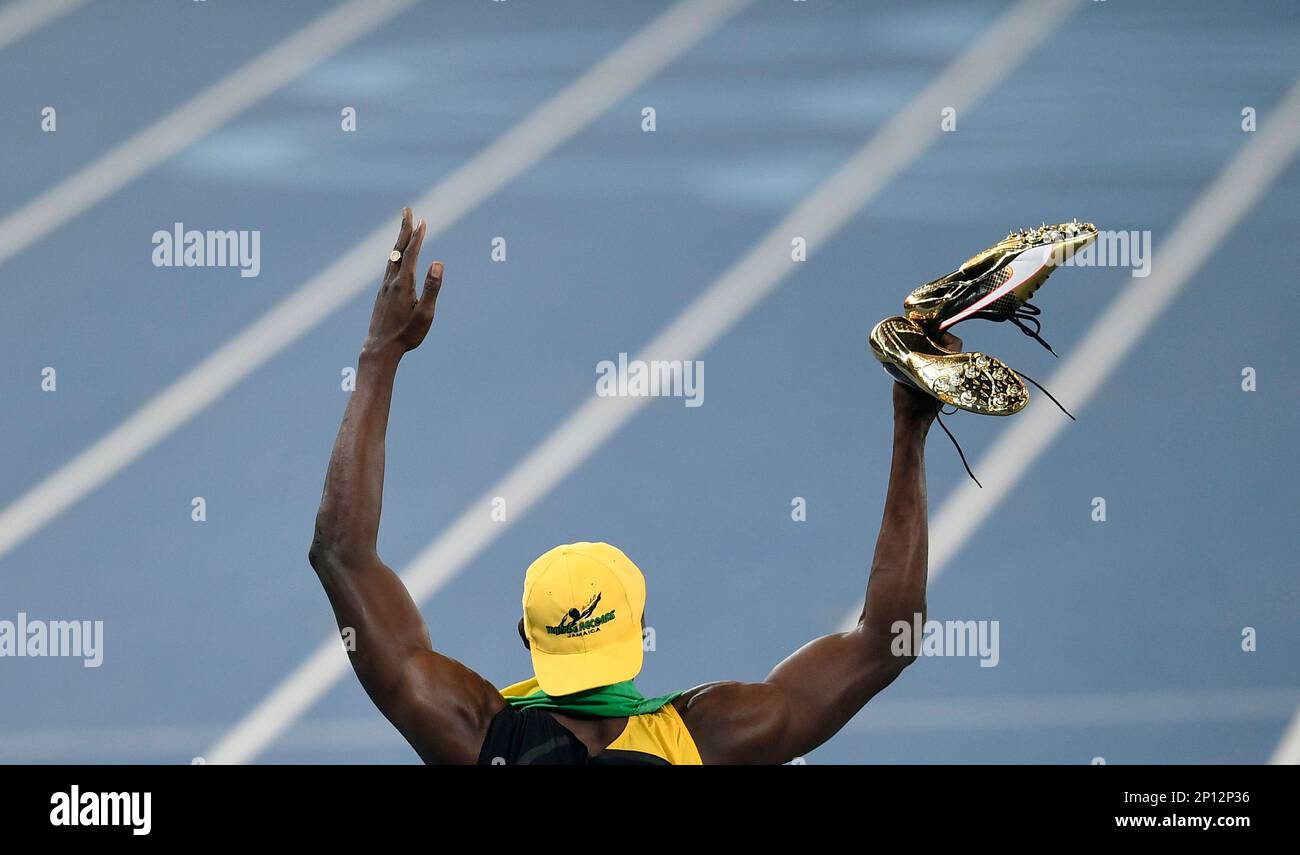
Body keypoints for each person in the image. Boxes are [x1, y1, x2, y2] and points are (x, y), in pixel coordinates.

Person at [308, 208, 952, 764]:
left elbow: (341, 555)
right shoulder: (710, 738)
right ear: (640, 629)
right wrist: (910, 428)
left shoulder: (475, 737)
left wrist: (380, 355)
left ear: (528, 639)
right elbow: (886, 639)